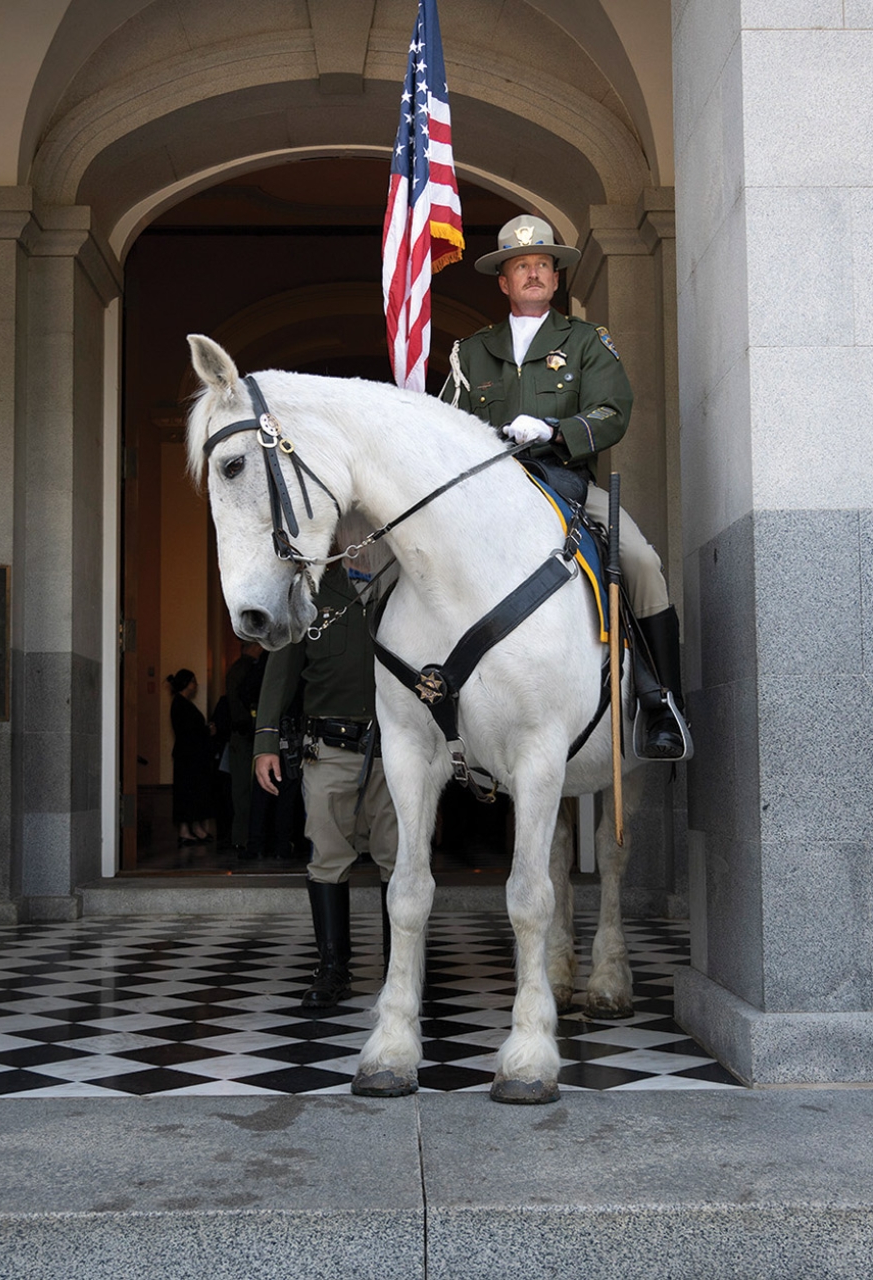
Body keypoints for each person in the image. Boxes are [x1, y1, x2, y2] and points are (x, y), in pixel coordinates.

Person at [438, 213, 689, 761]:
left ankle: (662, 705)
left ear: (556, 278)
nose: (532, 274)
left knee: (641, 563)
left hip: (564, 482)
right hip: (491, 489)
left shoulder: (585, 341)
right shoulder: (470, 352)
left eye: (542, 265)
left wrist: (556, 430)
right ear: (503, 282)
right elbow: (445, 427)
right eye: (520, 266)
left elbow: (613, 410)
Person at [253, 563, 397, 1008]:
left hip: (397, 752)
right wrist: (266, 740)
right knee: (328, 856)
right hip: (328, 748)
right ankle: (333, 968)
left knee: (401, 861)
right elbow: (281, 667)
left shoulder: (401, 580)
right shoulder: (310, 589)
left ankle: (402, 972)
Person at [224, 640, 266, 852]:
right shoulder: (247, 669)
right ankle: (244, 838)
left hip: (240, 734)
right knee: (244, 789)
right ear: (252, 647)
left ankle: (242, 837)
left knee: (241, 789)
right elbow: (241, 704)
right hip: (245, 735)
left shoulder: (236, 669)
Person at [167, 669, 214, 844]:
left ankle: (188, 829)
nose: (196, 685)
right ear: (187, 683)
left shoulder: (180, 703)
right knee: (190, 791)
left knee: (188, 792)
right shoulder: (181, 704)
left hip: (187, 755)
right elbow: (189, 731)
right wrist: (207, 730)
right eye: (193, 681)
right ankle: (189, 829)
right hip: (189, 756)